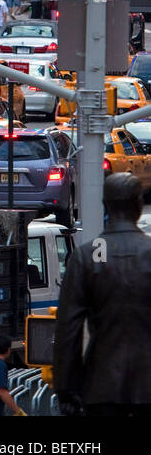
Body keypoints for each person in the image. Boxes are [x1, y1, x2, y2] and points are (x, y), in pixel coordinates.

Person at [54, 172, 151, 415]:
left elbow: (68, 329)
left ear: (106, 205)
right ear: (138, 205)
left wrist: (66, 388)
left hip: (101, 384)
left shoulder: (85, 257)